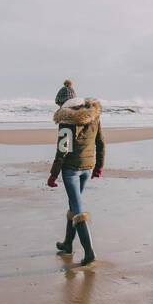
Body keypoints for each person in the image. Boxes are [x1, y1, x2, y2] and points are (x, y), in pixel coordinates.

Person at [46, 79, 105, 266]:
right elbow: (100, 142)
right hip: (88, 167)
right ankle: (67, 244)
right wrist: (99, 166)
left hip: (71, 170)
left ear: (62, 103)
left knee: (77, 208)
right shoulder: (94, 116)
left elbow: (63, 150)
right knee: (74, 203)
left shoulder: (66, 120)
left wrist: (53, 174)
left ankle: (89, 253)